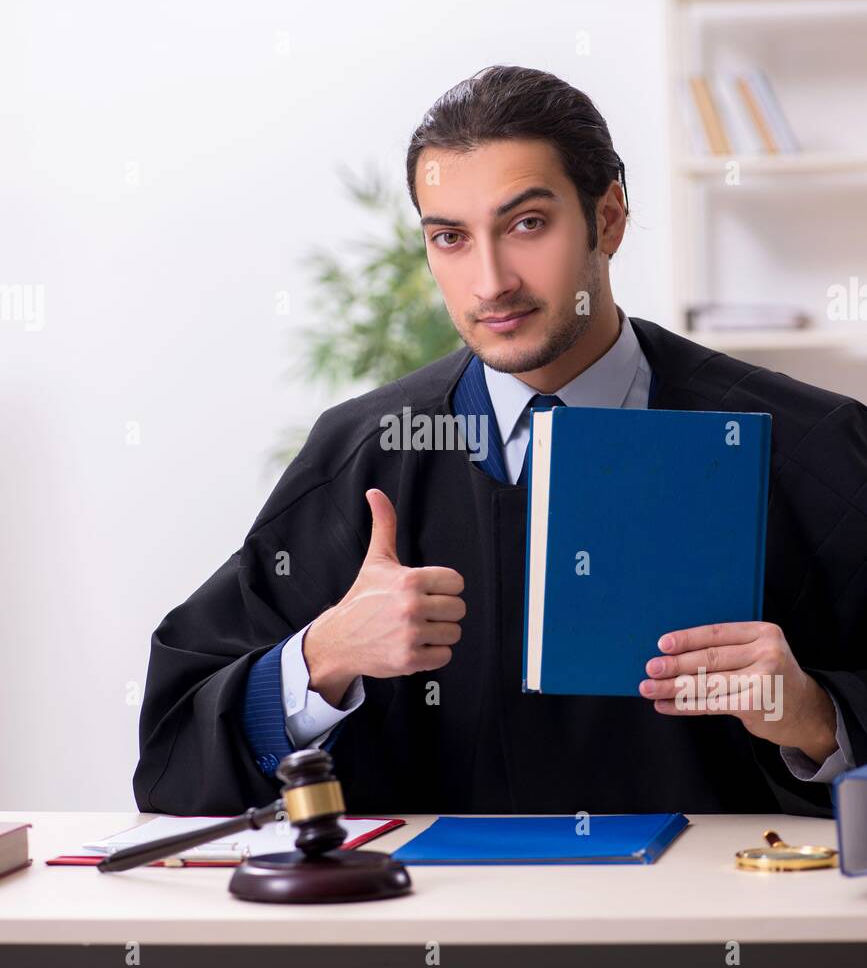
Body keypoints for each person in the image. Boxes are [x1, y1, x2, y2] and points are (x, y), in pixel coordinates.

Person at [134, 65, 867, 817]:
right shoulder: (361, 456)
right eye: (450, 238)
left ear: (607, 218)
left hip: (728, 923)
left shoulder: (810, 447)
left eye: (525, 225)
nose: (489, 282)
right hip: (434, 924)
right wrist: (323, 657)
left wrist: (814, 718)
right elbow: (171, 752)